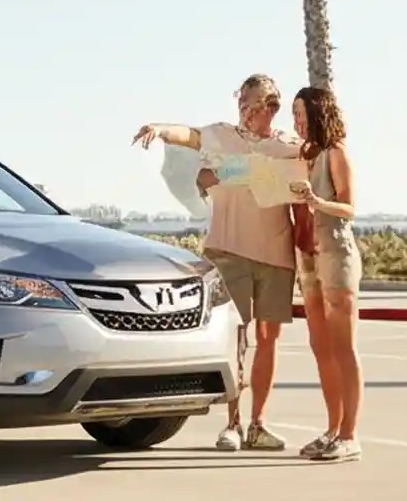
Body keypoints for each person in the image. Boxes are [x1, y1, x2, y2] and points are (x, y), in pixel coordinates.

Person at [132, 74, 314, 452]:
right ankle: (231, 424)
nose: (244, 111)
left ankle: (258, 424)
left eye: (252, 105)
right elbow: (190, 136)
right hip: (227, 250)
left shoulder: (289, 147)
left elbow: (317, 172)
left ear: (271, 108)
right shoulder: (222, 135)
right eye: (241, 103)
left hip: (276, 255)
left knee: (268, 340)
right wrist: (160, 129)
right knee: (237, 338)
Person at [289, 85, 364, 462]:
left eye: (301, 113)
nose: (297, 121)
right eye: (293, 115)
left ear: (318, 112)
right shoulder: (302, 155)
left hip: (335, 254)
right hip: (308, 259)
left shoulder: (337, 152)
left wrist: (317, 202)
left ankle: (350, 435)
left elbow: (349, 207)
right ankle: (332, 429)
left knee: (342, 347)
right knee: (321, 349)